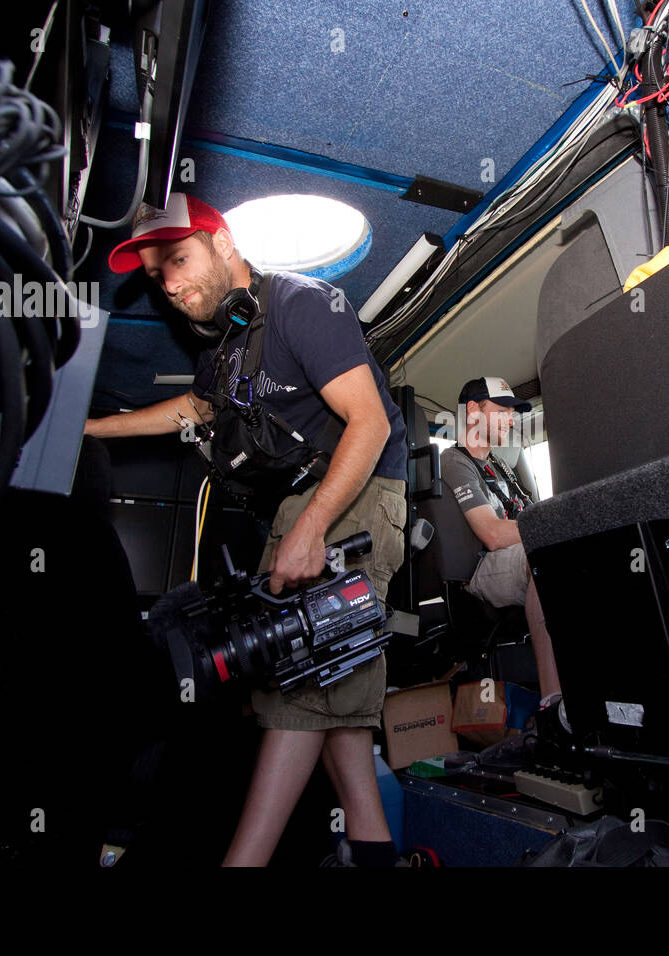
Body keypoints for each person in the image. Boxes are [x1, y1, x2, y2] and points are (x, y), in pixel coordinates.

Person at [86, 193, 409, 867]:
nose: (168, 284)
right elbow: (192, 408)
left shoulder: (302, 303)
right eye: (155, 276)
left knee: (297, 686)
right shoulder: (226, 351)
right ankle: (376, 854)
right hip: (302, 511)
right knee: (339, 709)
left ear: (224, 243)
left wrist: (312, 526)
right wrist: (86, 429)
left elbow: (371, 423)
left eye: (177, 259)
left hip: (350, 496)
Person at [439, 377, 562, 707]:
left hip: (513, 553)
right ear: (474, 410)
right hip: (485, 567)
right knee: (543, 557)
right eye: (503, 410)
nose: (511, 418)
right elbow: (492, 534)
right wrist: (550, 527)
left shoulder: (501, 465)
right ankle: (554, 700)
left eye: (514, 412)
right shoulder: (455, 460)